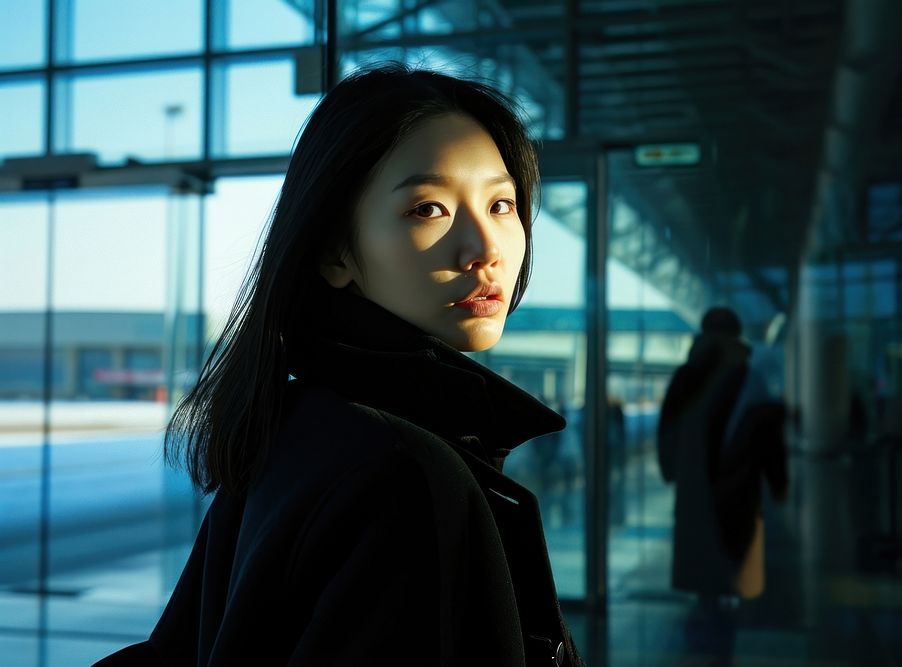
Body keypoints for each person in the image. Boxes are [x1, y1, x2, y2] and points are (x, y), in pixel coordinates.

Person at [97, 65, 583, 666]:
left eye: (502, 203)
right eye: (427, 208)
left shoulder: (298, 425)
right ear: (334, 253)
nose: (486, 249)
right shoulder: (401, 473)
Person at [656, 307, 787, 662]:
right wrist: (779, 485)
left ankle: (708, 629)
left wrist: (672, 470)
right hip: (737, 487)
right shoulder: (749, 375)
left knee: (705, 568)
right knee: (731, 563)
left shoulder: (687, 375)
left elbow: (667, 428)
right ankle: (721, 634)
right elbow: (767, 434)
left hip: (696, 487)